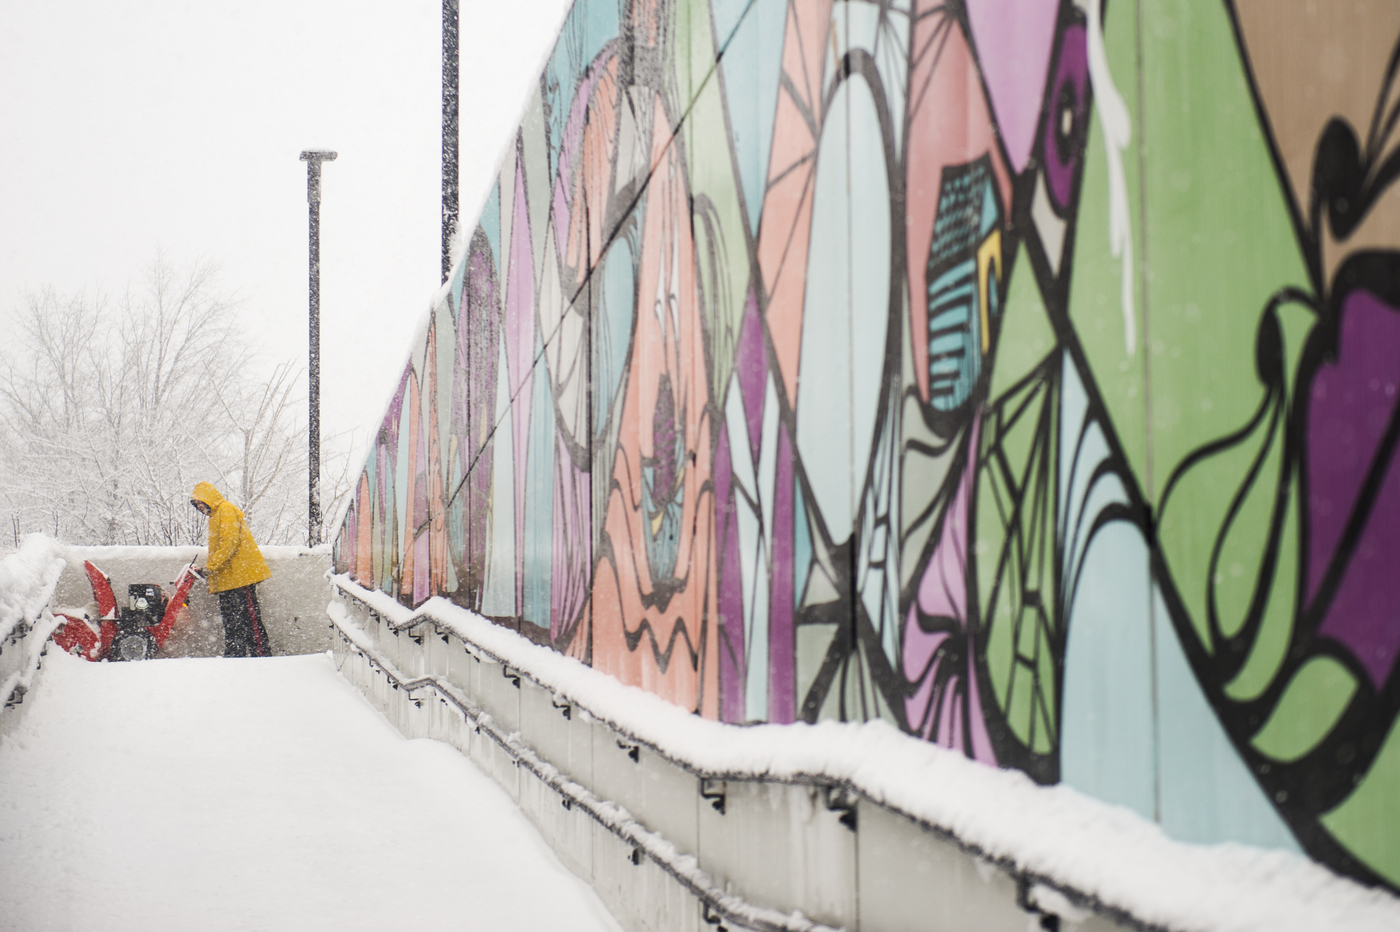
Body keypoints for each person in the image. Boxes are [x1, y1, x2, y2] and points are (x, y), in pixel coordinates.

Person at [190, 482, 273, 657]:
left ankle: (261, 656)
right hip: (229, 578)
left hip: (241, 576)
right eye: (196, 505)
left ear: (207, 499)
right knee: (233, 622)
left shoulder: (225, 510)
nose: (199, 507)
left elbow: (229, 542)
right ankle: (235, 655)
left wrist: (211, 567)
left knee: (249, 621)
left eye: (200, 503)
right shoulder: (216, 515)